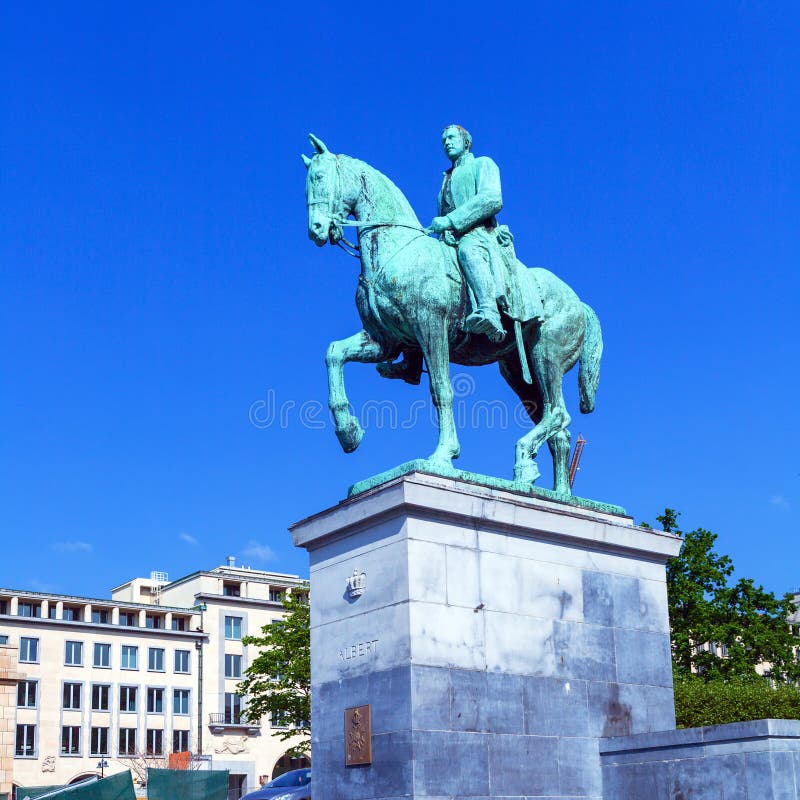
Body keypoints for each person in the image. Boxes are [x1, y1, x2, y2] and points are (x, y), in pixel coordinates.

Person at [429, 124, 508, 342]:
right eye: (443, 140)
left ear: (466, 142)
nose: (447, 142)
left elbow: (491, 198)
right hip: (450, 240)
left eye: (451, 137)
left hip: (478, 235)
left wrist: (450, 221)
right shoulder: (445, 180)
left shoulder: (482, 164)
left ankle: (489, 311)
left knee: (468, 252)